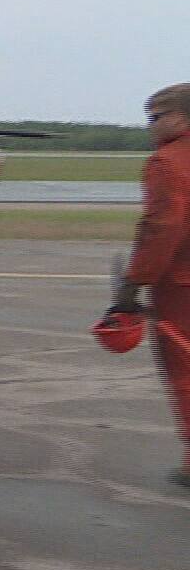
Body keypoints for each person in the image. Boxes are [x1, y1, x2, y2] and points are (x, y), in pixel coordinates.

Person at [118, 82, 190, 486]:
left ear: (180, 118)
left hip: (182, 285)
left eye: (156, 117)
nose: (150, 126)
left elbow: (164, 226)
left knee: (185, 370)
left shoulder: (167, 163)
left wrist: (133, 285)